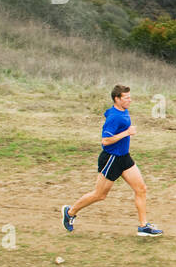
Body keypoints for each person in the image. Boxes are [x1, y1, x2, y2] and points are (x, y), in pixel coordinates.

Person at [62, 84, 163, 237]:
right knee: (99, 195)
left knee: (141, 189)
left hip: (124, 157)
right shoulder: (115, 117)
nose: (130, 100)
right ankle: (70, 212)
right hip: (111, 159)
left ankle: (143, 226)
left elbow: (108, 112)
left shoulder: (122, 110)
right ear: (117, 99)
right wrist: (127, 133)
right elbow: (105, 141)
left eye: (130, 97)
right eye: (126, 98)